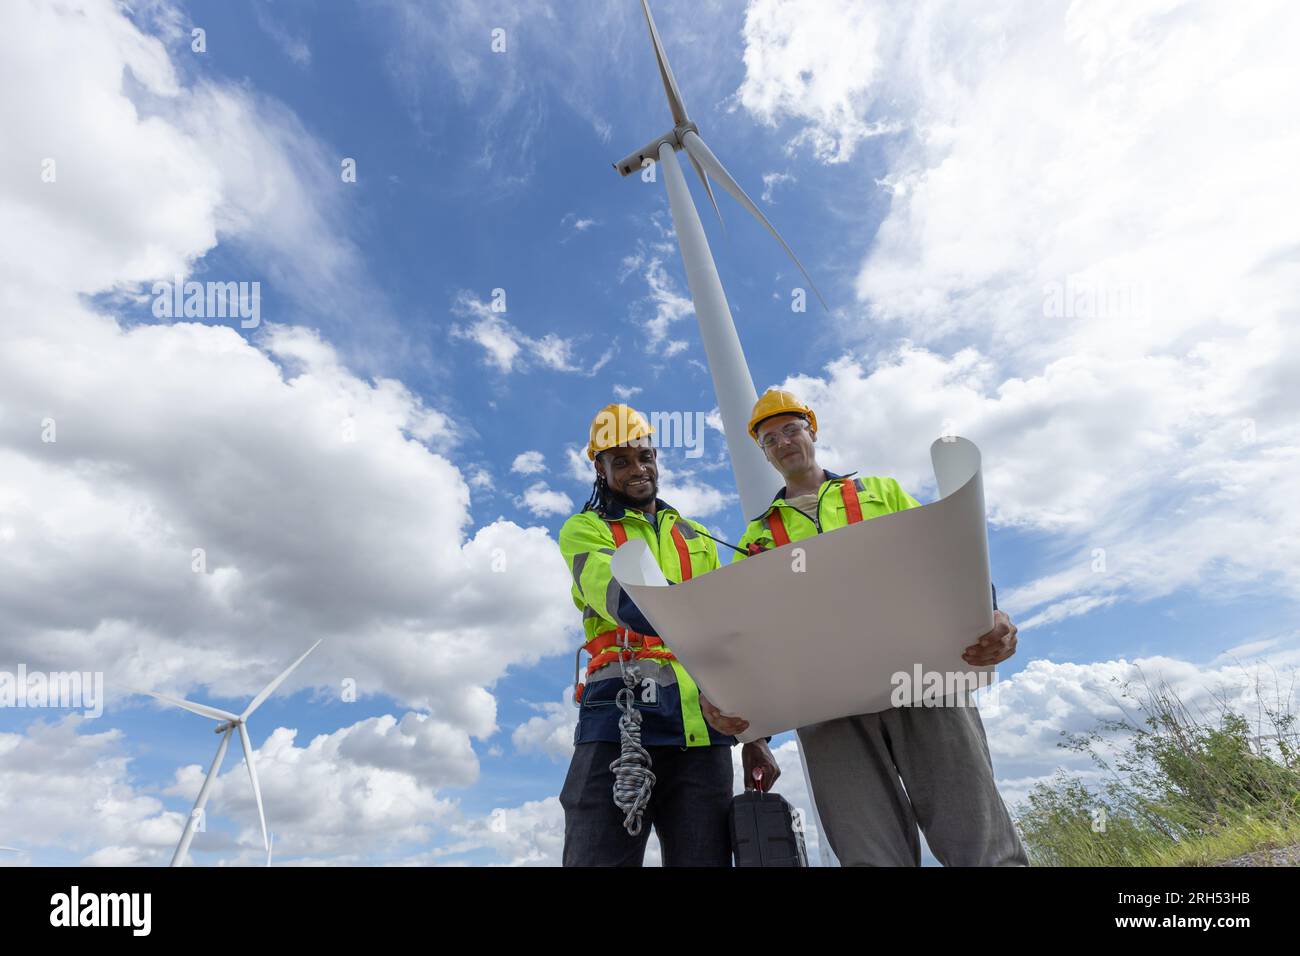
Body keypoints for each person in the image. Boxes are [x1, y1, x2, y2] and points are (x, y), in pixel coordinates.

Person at [710, 388, 1028, 866]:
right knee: (869, 853)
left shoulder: (881, 493)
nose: (783, 443)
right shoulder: (755, 539)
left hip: (924, 679)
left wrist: (990, 615)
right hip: (826, 704)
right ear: (763, 452)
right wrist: (753, 730)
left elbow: (947, 557)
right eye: (770, 438)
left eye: (791, 429)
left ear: (811, 431)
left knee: (979, 839)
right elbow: (757, 637)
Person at [557, 403, 779, 866]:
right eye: (620, 461)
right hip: (617, 720)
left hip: (702, 730)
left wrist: (756, 736)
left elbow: (729, 639)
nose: (637, 469)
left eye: (644, 457)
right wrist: (700, 605)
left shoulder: (696, 535)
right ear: (599, 469)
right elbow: (623, 598)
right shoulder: (586, 530)